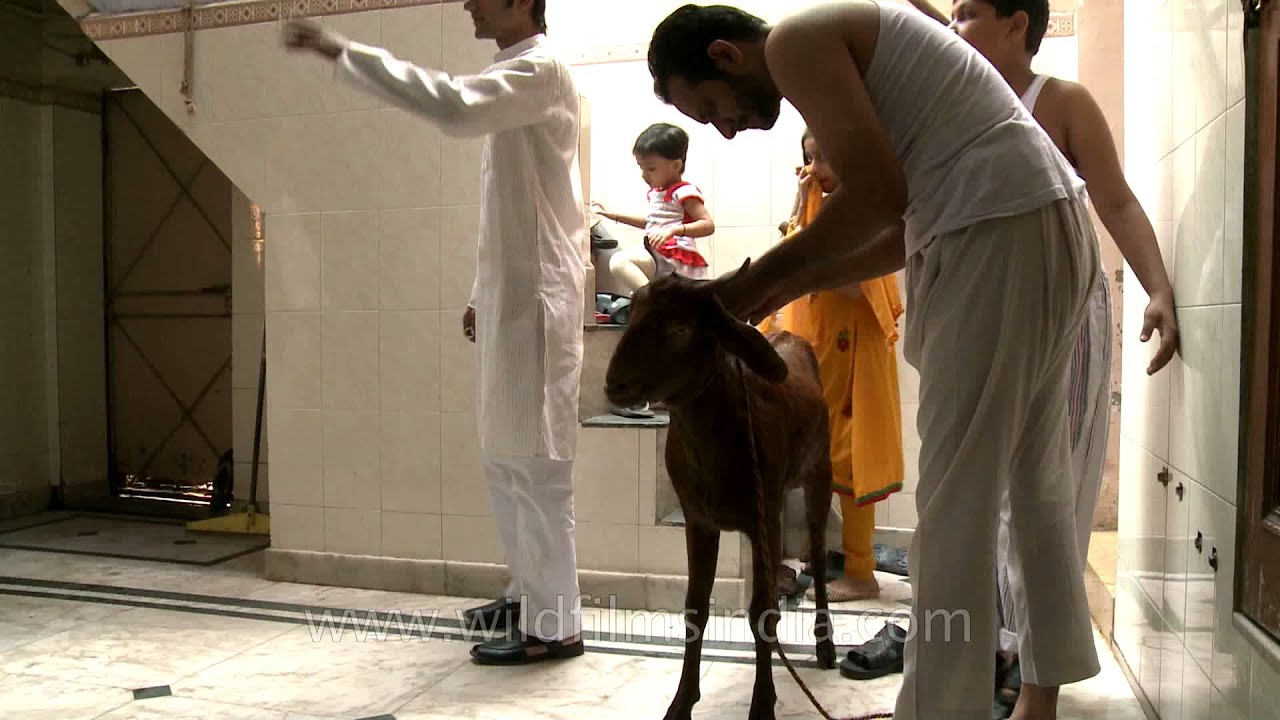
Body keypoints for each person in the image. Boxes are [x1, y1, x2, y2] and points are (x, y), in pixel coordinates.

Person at [645, 3, 1171, 718]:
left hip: (998, 229)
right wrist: (770, 289)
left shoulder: (797, 43)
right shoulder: (855, 67)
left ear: (726, 55)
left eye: (710, 108)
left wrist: (743, 286)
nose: (725, 128)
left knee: (957, 500)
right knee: (1037, 489)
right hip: (1040, 223)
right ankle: (1038, 704)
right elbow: (895, 230)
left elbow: (875, 200)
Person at [841, 1, 1180, 717]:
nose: (954, 26)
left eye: (968, 13)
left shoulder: (1058, 100)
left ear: (1017, 23)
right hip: (971, 298)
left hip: (1055, 304)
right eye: (952, 13)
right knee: (981, 497)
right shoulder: (945, 103)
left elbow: (1114, 200)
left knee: (1040, 490)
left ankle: (1036, 693)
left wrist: (1159, 290)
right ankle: (986, 658)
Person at [283, 0, 588, 666]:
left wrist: (344, 53)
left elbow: (452, 107)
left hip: (537, 298)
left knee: (536, 463)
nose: (468, 4)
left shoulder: (541, 69)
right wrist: (483, 291)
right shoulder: (516, 71)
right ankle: (529, 595)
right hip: (515, 293)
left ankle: (556, 625)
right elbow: (510, 204)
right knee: (504, 456)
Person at [761, 128, 904, 604]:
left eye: (825, 157)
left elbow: (840, 275)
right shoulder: (824, 208)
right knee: (826, 455)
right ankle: (833, 557)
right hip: (825, 349)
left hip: (855, 352)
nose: (815, 168)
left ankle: (861, 571)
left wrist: (807, 226)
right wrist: (801, 208)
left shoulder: (865, 209)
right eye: (809, 157)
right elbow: (793, 253)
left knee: (849, 457)